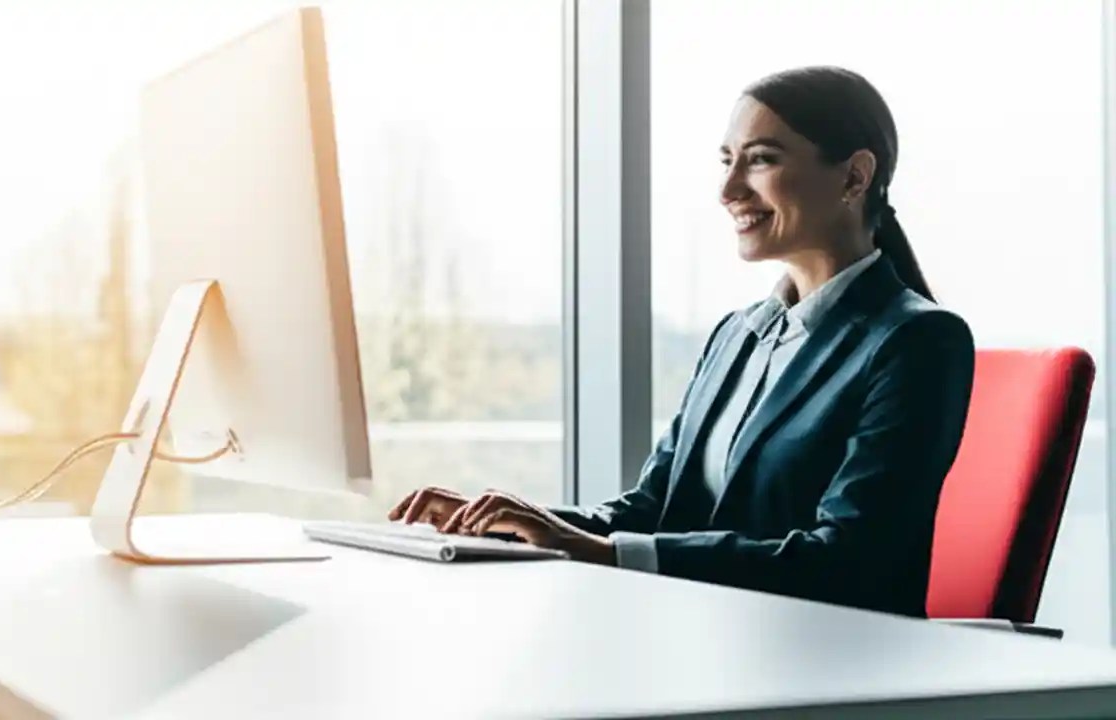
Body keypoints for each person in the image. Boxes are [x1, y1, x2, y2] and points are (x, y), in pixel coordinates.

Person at [388, 66, 975, 618]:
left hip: (823, 663)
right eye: (726, 161)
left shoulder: (917, 341)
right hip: (701, 633)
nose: (728, 188)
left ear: (853, 176)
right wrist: (497, 520)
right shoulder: (737, 336)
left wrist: (601, 551)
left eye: (760, 160)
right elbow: (651, 511)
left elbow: (849, 561)